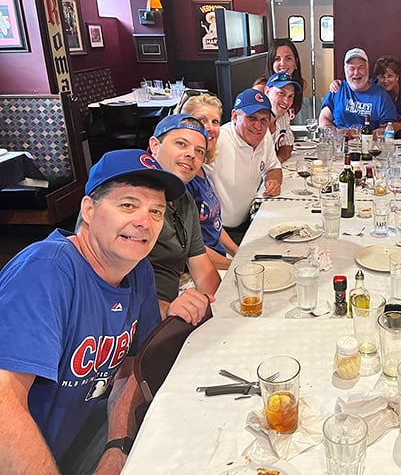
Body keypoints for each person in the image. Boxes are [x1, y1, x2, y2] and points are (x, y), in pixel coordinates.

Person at [0, 149, 185, 473]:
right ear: (88, 209)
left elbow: (129, 370)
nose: (144, 222)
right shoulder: (47, 270)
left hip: (80, 442)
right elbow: (4, 402)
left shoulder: (137, 270)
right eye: (128, 205)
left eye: (156, 211)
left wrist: (117, 446)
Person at [147, 114, 221, 322]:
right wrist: (164, 309)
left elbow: (203, 270)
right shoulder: (133, 193)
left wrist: (222, 311)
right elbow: (107, 288)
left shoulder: (184, 200)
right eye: (181, 144)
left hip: (172, 314)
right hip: (138, 328)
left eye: (199, 151)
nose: (191, 155)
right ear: (154, 145)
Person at [206, 88, 282, 244]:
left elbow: (274, 167)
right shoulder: (217, 142)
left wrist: (274, 180)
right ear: (235, 116)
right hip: (219, 233)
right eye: (251, 118)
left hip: (249, 221)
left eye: (263, 120)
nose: (258, 126)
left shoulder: (264, 136)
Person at [181, 93, 238, 269]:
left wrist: (240, 253)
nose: (210, 128)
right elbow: (189, 249)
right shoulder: (183, 178)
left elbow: (215, 225)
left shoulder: (200, 168)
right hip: (196, 271)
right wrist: (234, 265)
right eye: (201, 120)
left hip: (218, 260)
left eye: (215, 122)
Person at [319, 47, 397, 129]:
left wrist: (363, 136)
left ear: (367, 70)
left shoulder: (382, 96)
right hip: (339, 140)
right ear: (345, 71)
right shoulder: (337, 89)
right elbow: (324, 118)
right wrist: (336, 134)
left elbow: (388, 128)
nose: (356, 73)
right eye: (351, 68)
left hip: (368, 140)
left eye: (361, 68)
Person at [253, 38, 305, 119]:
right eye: (277, 59)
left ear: (296, 62)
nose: (283, 63)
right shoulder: (260, 89)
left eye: (288, 58)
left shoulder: (300, 84)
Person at [263, 71, 302, 162]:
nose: (286, 101)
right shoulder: (254, 120)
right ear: (267, 91)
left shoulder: (284, 116)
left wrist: (277, 161)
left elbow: (287, 145)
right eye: (281, 93)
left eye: (290, 96)